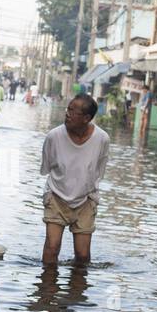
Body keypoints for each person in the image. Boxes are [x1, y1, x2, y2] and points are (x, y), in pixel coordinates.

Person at [40, 93, 110, 266]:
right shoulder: (54, 136)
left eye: (73, 111)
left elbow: (99, 170)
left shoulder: (102, 139)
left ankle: (76, 291)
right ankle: (47, 289)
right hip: (56, 196)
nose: (67, 114)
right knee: (52, 248)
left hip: (86, 200)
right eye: (67, 109)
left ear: (87, 118)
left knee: (83, 255)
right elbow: (47, 167)